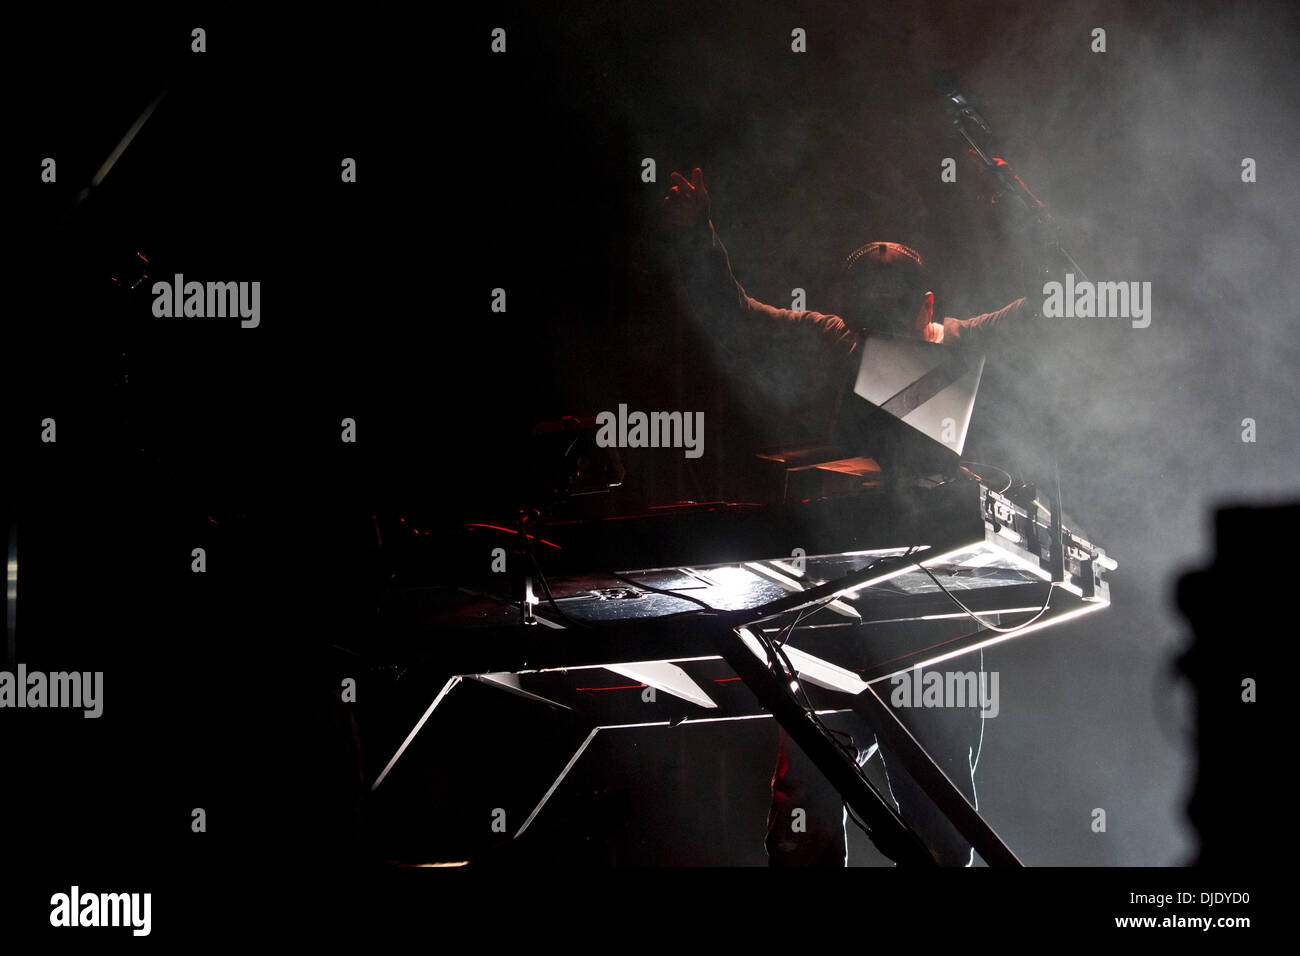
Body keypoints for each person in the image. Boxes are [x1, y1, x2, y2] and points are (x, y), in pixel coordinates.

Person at [661, 166, 1020, 866]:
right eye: (870, 318)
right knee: (814, 824)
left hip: (919, 608)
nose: (879, 333)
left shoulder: (944, 339)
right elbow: (732, 310)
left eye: (892, 317)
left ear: (923, 304)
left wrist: (1018, 212)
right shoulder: (834, 336)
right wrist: (696, 238)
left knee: (936, 833)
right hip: (837, 602)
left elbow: (1038, 313)